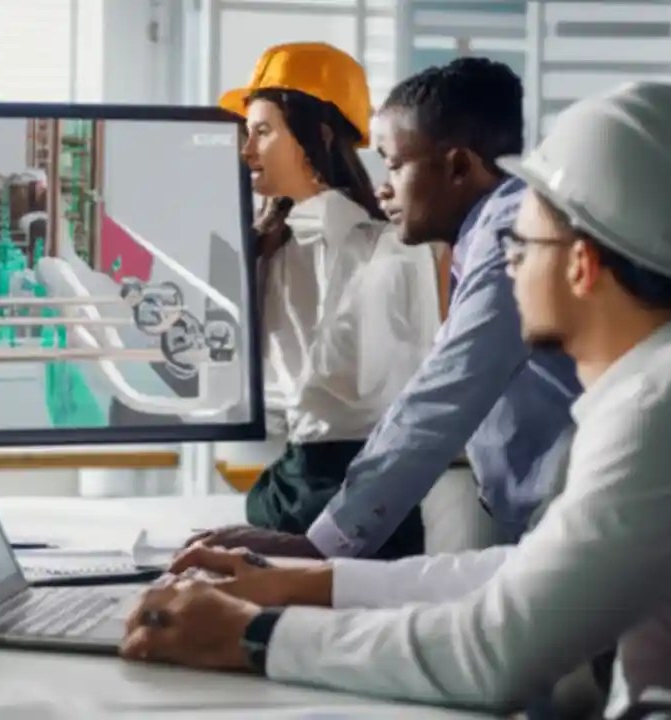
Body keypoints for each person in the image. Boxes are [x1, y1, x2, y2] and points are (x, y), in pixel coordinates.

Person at [121, 81, 671, 718]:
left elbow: (492, 654)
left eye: (520, 245)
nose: (506, 268)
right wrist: (303, 582)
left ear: (582, 265)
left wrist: (250, 634)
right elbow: (530, 575)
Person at [190, 57, 581, 558]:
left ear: (458, 166)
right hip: (532, 515)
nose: (384, 185)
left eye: (395, 164)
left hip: (566, 520)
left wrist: (322, 548)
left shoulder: (509, 238)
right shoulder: (481, 237)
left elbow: (437, 398)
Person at [218, 42, 441, 557]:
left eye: (263, 131)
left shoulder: (387, 249)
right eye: (246, 134)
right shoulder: (273, 246)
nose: (247, 151)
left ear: (317, 136)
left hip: (357, 494)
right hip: (297, 484)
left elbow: (380, 387)